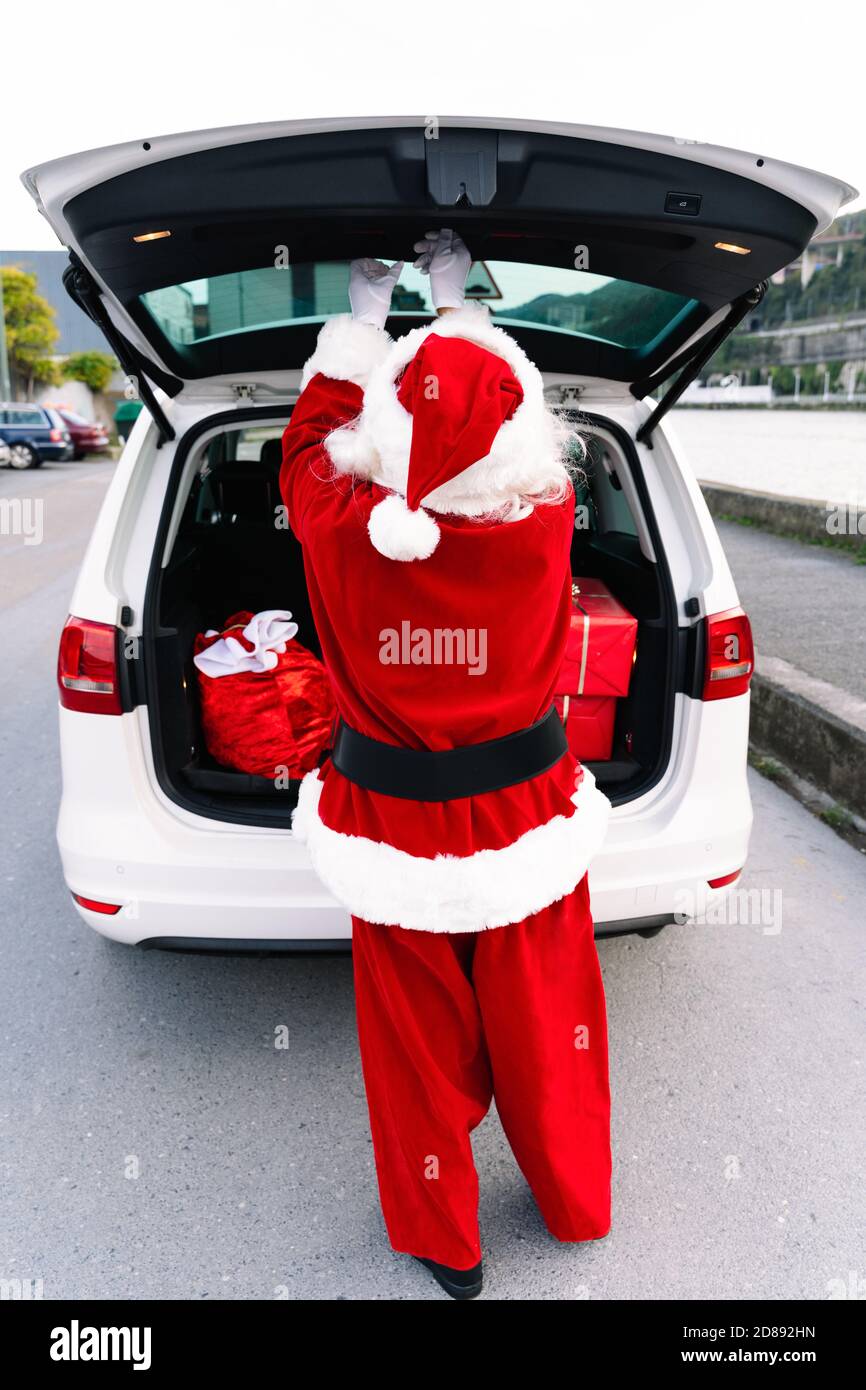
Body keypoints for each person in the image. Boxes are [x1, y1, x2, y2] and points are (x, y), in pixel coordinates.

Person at [280, 229, 613, 1300]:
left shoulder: (336, 528)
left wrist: (361, 329)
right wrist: (449, 298)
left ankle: (447, 1242)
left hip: (396, 833)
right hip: (526, 823)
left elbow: (305, 454)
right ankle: (572, 1200)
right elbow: (488, 409)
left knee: (418, 1047)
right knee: (546, 1027)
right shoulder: (543, 519)